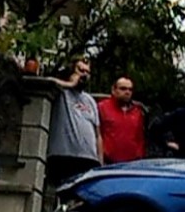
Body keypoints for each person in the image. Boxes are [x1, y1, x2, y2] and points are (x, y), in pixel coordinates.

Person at [47, 57, 102, 186]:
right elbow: (47, 82)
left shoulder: (90, 100)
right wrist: (70, 84)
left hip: (88, 159)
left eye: (87, 72)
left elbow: (98, 134)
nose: (84, 75)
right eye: (80, 70)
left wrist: (100, 160)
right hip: (63, 156)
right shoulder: (60, 93)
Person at [97, 76, 146, 164]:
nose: (127, 92)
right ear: (113, 90)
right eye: (123, 89)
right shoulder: (102, 108)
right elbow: (97, 134)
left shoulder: (138, 111)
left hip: (133, 163)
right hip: (109, 162)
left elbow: (140, 138)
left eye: (130, 89)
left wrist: (140, 156)